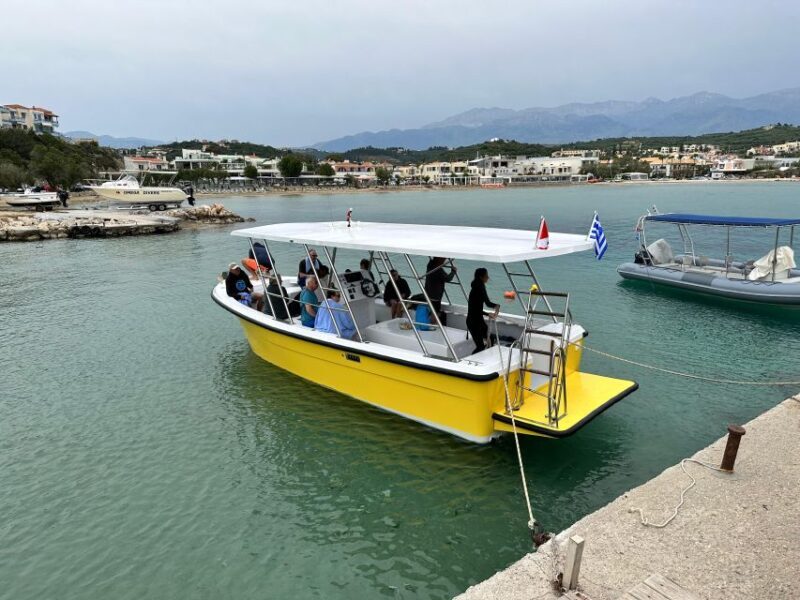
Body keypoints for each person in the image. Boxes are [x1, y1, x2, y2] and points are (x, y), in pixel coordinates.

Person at [466, 267, 499, 354]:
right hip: (474, 322)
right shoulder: (480, 288)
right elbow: (488, 303)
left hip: (476, 320)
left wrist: (488, 314)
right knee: (480, 346)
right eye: (486, 276)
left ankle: (487, 357)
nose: (488, 277)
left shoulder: (475, 287)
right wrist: (496, 306)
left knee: (490, 339)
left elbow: (475, 309)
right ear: (481, 277)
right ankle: (470, 362)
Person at [424, 257, 457, 324]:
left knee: (431, 311)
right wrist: (453, 271)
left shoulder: (430, 265)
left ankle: (430, 324)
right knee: (435, 313)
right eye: (443, 259)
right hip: (435, 296)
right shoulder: (438, 270)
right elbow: (448, 278)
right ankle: (432, 326)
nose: (444, 261)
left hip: (428, 293)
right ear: (439, 259)